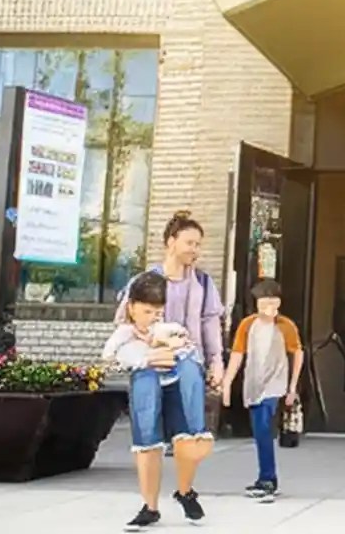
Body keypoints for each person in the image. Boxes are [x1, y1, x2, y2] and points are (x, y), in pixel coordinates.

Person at [114, 211, 224, 530]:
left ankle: (185, 492)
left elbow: (211, 323)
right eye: (190, 242)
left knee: (189, 434)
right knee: (146, 436)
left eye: (199, 245)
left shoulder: (203, 282)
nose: (195, 250)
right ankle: (149, 507)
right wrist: (143, 353)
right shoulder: (145, 281)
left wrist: (216, 361)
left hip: (188, 366)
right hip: (149, 366)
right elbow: (123, 322)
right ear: (170, 242)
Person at [221, 279, 305, 501]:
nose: (268, 308)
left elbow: (297, 353)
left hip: (276, 384)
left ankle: (268, 479)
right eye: (263, 303)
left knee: (264, 427)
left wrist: (292, 387)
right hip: (253, 383)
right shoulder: (248, 326)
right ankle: (266, 478)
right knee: (259, 432)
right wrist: (227, 383)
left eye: (272, 303)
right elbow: (238, 354)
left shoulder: (286, 326)